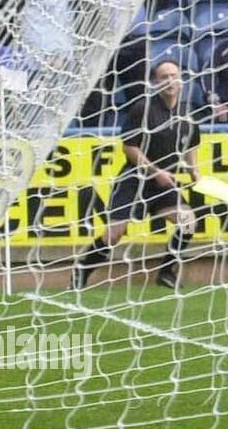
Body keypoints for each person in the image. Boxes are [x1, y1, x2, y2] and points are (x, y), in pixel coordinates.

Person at [72, 60, 203, 291]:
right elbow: (129, 147)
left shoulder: (187, 114)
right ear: (155, 82)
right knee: (114, 233)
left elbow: (191, 144)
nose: (170, 81)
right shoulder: (143, 109)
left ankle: (166, 273)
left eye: (174, 75)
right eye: (164, 77)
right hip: (135, 180)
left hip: (163, 184)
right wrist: (155, 171)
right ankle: (82, 271)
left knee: (188, 221)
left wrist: (196, 173)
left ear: (181, 80)